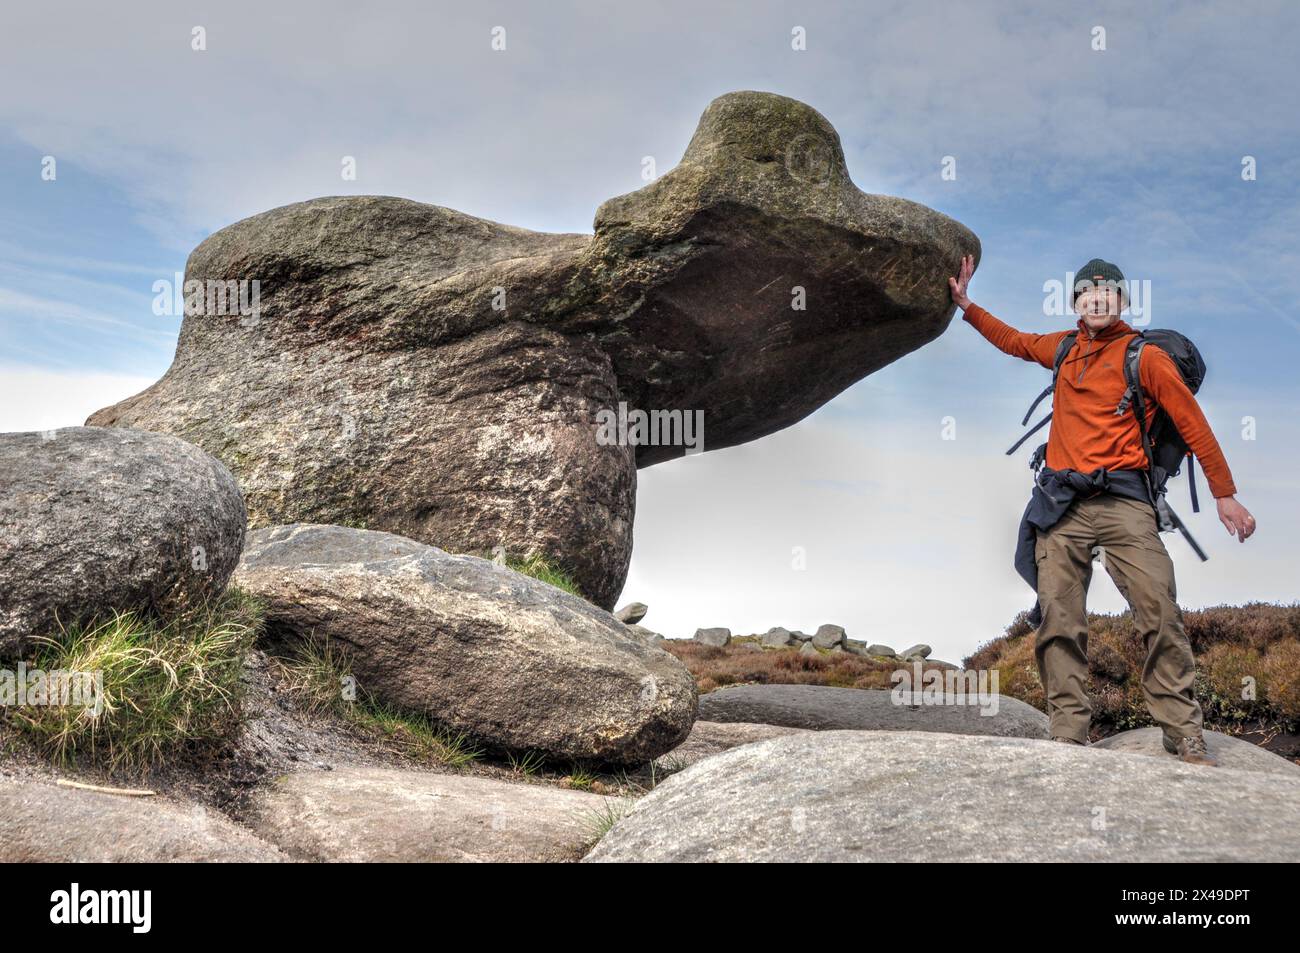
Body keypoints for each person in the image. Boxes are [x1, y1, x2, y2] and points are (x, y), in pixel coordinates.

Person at [948, 255, 1256, 765]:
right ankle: (1068, 732)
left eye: (1107, 293)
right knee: (1059, 619)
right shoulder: (1063, 348)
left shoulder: (1145, 358)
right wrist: (967, 306)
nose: (1096, 299)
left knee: (1159, 611)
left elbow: (1192, 422)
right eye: (1086, 294)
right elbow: (1015, 341)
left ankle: (1182, 730)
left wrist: (1224, 494)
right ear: (1075, 303)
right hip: (1063, 504)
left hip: (1125, 504)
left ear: (1121, 301)